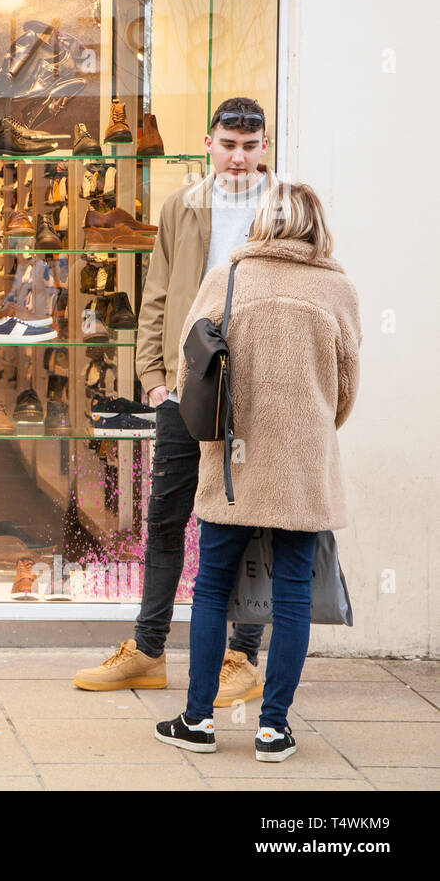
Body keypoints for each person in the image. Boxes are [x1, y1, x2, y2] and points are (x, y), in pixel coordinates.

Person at [75, 97, 274, 700]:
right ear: (209, 143)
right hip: (190, 382)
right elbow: (157, 292)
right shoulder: (182, 206)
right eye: (228, 144)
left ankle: (240, 657)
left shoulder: (287, 207)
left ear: (265, 147)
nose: (238, 157)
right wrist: (154, 378)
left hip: (261, 384)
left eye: (250, 145)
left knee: (252, 517)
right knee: (165, 515)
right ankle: (149, 649)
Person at [155, 182, 360, 762]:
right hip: (302, 465)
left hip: (231, 462)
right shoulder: (338, 288)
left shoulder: (227, 279)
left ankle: (197, 721)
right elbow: (346, 390)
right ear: (316, 222)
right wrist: (315, 427)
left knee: (212, 588)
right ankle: (273, 729)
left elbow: (186, 366)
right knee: (293, 592)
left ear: (263, 220)